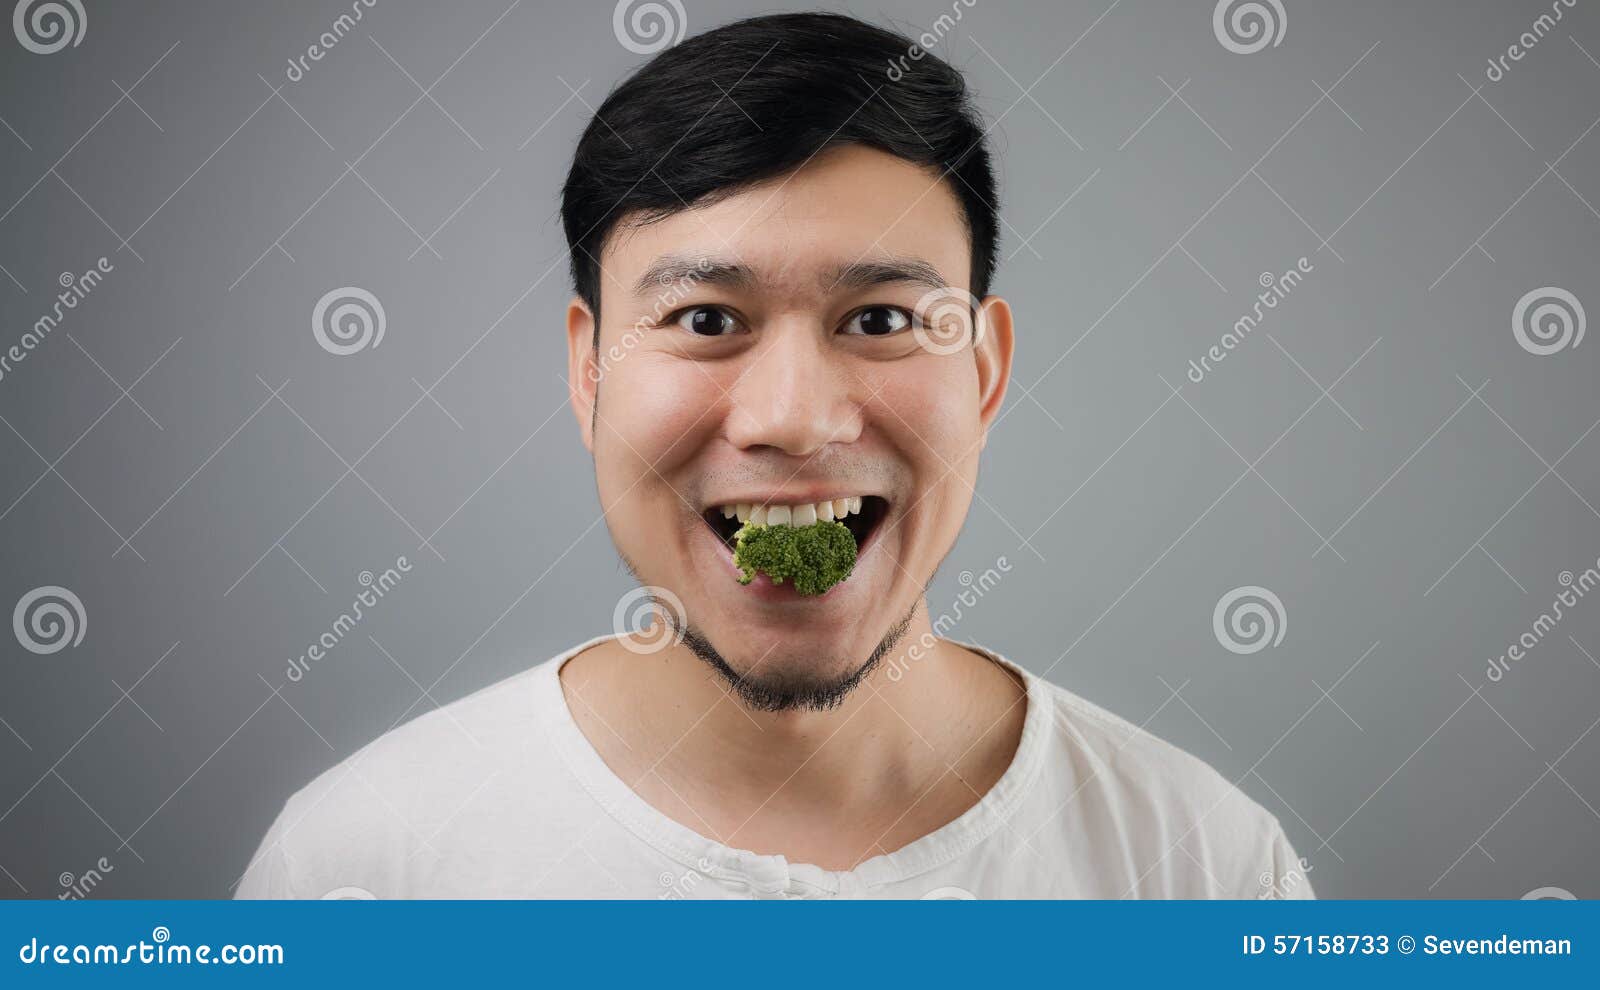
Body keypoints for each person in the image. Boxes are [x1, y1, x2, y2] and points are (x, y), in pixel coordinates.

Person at [237, 11, 1311, 900]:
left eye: (882, 320)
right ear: (589, 374)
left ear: (982, 376)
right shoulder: (363, 868)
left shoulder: (1201, 869)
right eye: (706, 320)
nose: (794, 420)